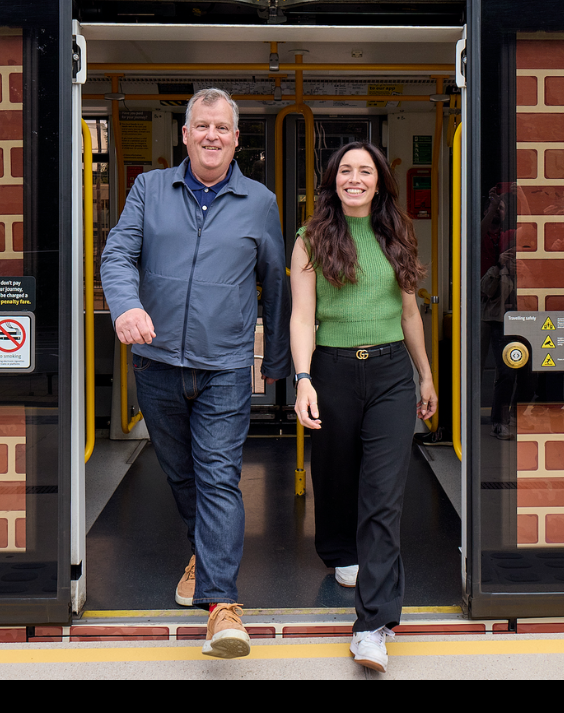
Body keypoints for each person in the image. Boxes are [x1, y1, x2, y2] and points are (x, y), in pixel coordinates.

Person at [100, 87, 290, 659]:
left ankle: (223, 607)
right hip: (156, 365)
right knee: (181, 477)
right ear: (184, 135)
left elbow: (275, 281)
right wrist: (126, 305)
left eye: (223, 128)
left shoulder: (260, 202)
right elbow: (117, 255)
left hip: (226, 367)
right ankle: (203, 553)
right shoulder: (149, 189)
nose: (211, 135)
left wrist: (278, 363)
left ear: (237, 139)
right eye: (201, 126)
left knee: (217, 477)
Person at [289, 141, 437, 673]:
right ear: (333, 180)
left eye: (365, 171)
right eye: (345, 170)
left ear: (379, 181)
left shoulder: (395, 233)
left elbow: (410, 314)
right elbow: (303, 317)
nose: (355, 178)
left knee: (382, 495)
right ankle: (338, 552)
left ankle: (373, 625)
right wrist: (303, 379)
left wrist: (425, 375)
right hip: (331, 369)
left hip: (392, 372)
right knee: (334, 473)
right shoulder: (310, 239)